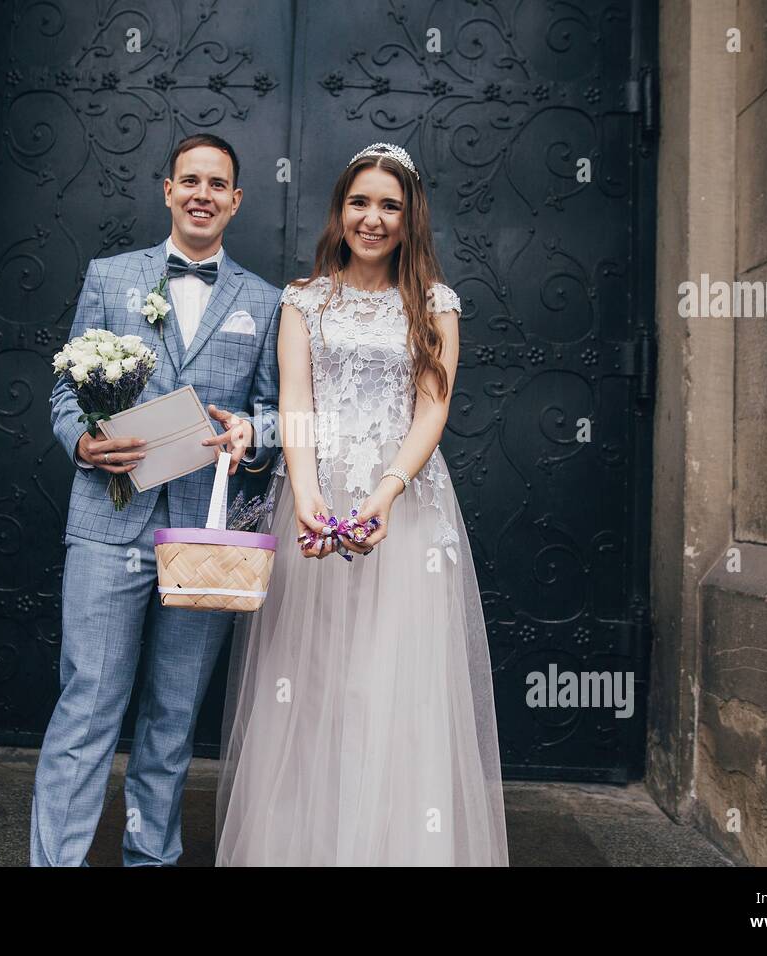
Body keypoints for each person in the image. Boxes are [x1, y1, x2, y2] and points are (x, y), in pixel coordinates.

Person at [214, 143, 509, 865]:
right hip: (315, 502)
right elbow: (295, 400)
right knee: (309, 683)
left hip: (403, 505)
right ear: (339, 209)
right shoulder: (303, 300)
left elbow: (433, 409)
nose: (372, 219)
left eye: (389, 206)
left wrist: (385, 493)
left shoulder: (434, 303)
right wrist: (308, 492)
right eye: (359, 202)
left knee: (394, 679)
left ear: (410, 220)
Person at [32, 134, 282, 866]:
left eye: (218, 184)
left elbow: (272, 412)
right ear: (167, 190)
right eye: (190, 181)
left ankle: (150, 859)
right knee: (87, 709)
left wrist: (251, 431)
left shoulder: (265, 303)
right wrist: (82, 441)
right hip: (108, 521)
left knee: (172, 723)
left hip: (204, 540)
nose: (202, 194)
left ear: (236, 201)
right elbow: (63, 391)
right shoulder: (110, 277)